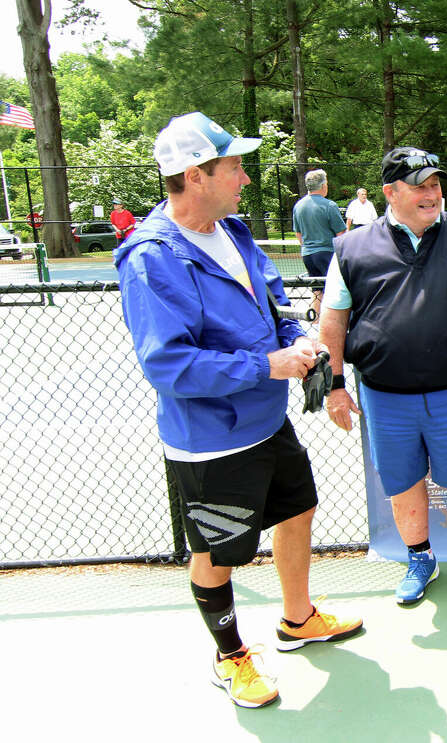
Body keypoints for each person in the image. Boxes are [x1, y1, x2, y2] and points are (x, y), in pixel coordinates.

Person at [115, 111, 363, 710]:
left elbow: (273, 304)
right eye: (234, 166)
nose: (245, 177)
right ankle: (230, 657)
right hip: (210, 440)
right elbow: (168, 367)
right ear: (196, 175)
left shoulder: (234, 230)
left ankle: (298, 620)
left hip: (265, 420)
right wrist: (267, 367)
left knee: (298, 507)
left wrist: (295, 339)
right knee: (217, 553)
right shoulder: (151, 258)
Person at [319, 146, 447, 606]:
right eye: (420, 186)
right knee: (403, 481)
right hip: (384, 397)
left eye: (435, 184)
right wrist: (333, 385)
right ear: (391, 193)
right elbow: (331, 323)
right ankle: (420, 558)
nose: (432, 194)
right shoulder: (350, 248)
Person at [292, 169, 346, 318]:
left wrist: (308, 247)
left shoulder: (298, 206)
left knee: (317, 290)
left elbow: (298, 234)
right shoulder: (329, 206)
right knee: (333, 289)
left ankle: (315, 321)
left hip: (307, 255)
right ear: (323, 185)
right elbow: (341, 234)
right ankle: (332, 322)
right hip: (327, 254)